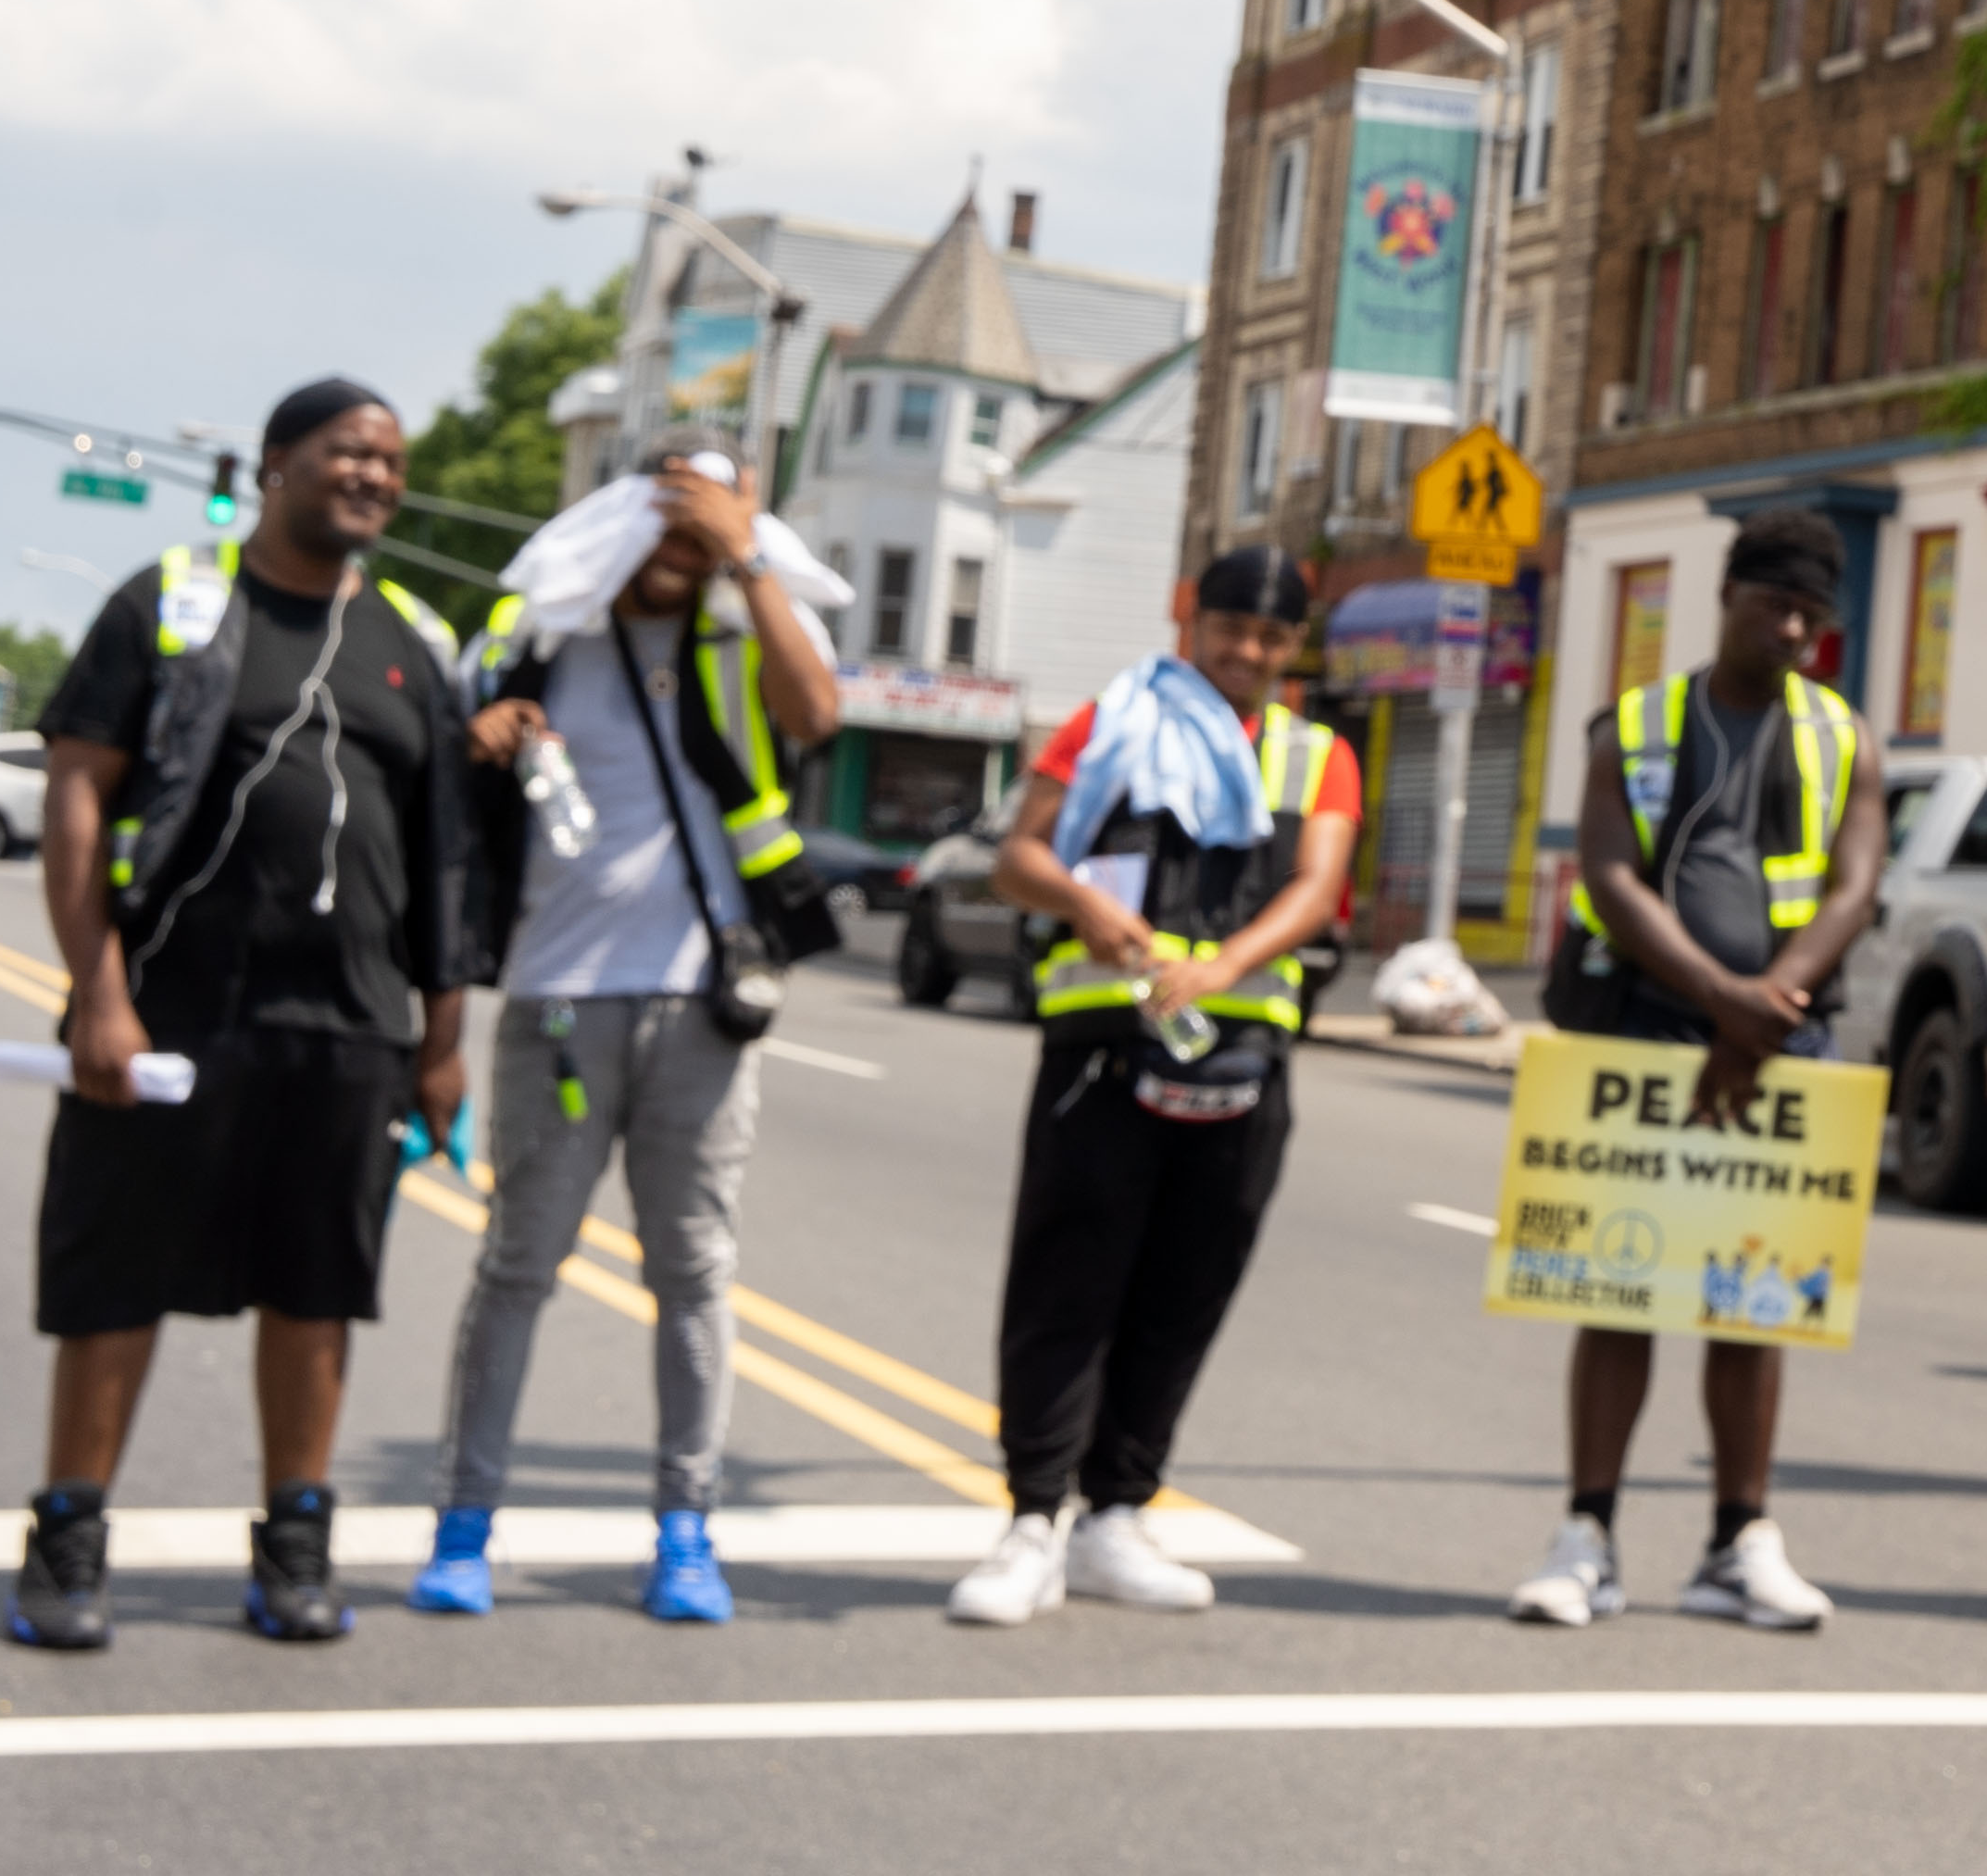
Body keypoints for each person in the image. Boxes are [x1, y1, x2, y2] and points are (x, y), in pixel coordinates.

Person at [15, 381, 477, 1652]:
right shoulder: (173, 604)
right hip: (168, 1019)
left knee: (317, 1288)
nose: (373, 477)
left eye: (389, 461)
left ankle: (294, 1546)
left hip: (350, 1031)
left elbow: (445, 860)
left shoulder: (413, 641)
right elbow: (77, 798)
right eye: (347, 453)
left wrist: (442, 1040)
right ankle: (67, 1537)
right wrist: (98, 994)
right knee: (115, 1282)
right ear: (277, 463)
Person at [417, 447, 846, 1624]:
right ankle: (464, 1526)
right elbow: (446, 769)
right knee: (517, 1265)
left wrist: (748, 552)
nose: (677, 554)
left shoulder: (741, 632)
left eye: (697, 537)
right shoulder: (541, 631)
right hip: (555, 1000)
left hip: (700, 1004)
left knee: (694, 1273)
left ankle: (686, 1532)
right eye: (662, 528)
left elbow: (818, 716)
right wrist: (485, 732)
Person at [944, 547, 1363, 1624]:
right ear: (1193, 621)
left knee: (1185, 1291)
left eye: (1272, 640)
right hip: (1100, 1045)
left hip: (1241, 1052)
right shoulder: (1111, 723)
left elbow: (1317, 887)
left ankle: (1116, 1513)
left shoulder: (1317, 757)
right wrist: (1091, 908)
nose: (1248, 654)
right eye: (1230, 629)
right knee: (1066, 1283)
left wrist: (1223, 966)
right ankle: (1031, 1519)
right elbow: (1018, 857)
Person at [1507, 514, 1888, 1632]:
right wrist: (1720, 998)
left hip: (1779, 1045)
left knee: (1752, 1304)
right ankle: (1587, 1535)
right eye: (1773, 606)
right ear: (1725, 594)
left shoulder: (1843, 734)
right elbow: (1614, 877)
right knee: (1619, 1292)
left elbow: (1854, 884)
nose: (1790, 630)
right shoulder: (1634, 725)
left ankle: (1737, 1543)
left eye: (1811, 617)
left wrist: (1766, 1007)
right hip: (1645, 1031)